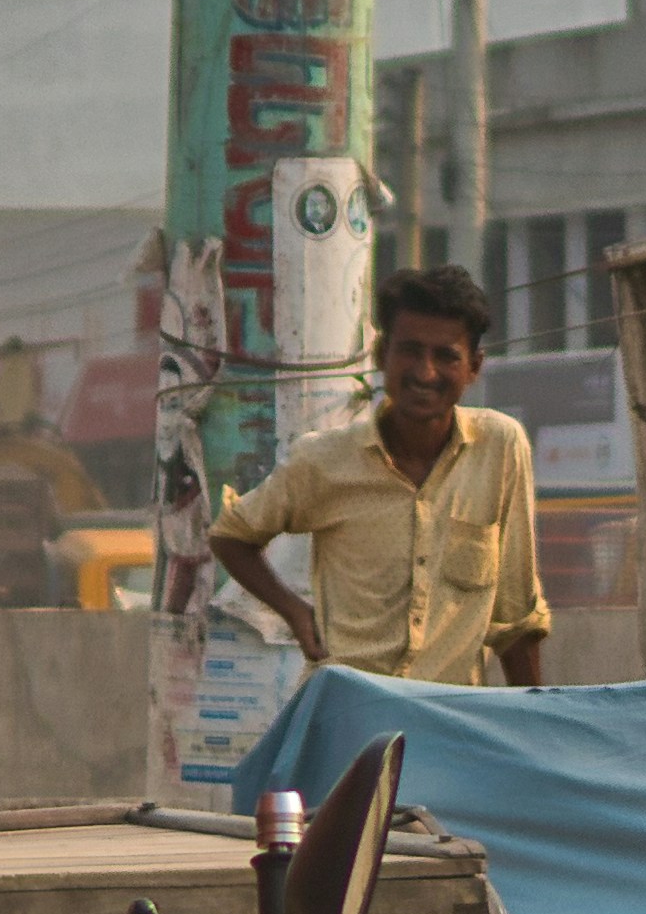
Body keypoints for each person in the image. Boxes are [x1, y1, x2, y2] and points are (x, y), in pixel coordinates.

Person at [210, 260, 548, 687]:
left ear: (474, 367)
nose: (425, 373)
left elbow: (516, 618)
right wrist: (295, 612)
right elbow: (230, 534)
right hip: (348, 717)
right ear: (381, 355)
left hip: (447, 720)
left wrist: (533, 729)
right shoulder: (322, 459)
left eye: (446, 356)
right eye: (410, 350)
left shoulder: (500, 447)